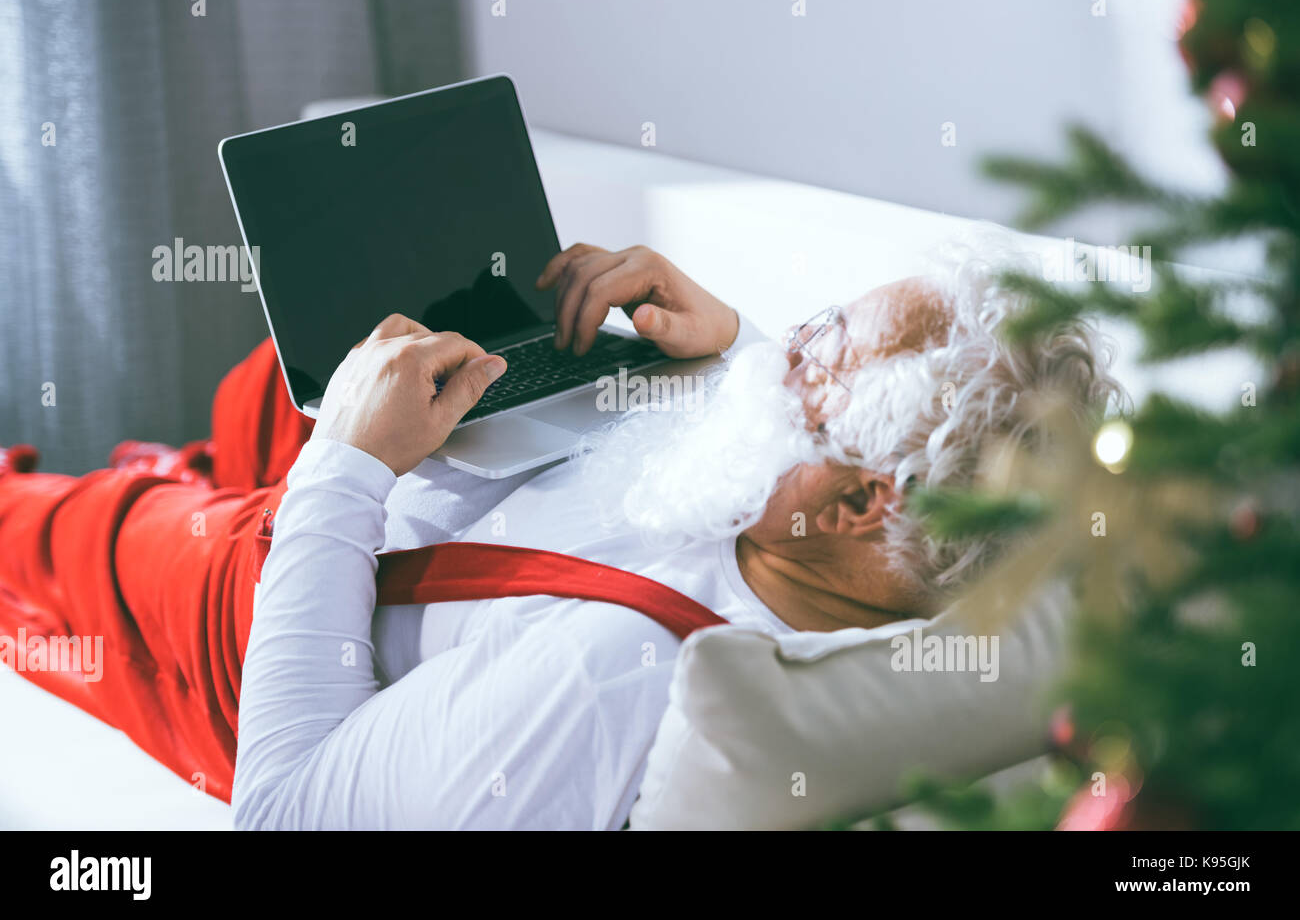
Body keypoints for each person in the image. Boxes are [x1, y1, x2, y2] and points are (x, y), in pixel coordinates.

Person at [0, 243, 1119, 829]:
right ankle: (200, 458)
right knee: (279, 368)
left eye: (819, 347)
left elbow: (284, 818)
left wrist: (343, 465)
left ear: (856, 504)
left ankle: (135, 495)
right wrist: (724, 338)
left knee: (36, 531)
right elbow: (829, 430)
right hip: (421, 498)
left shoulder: (613, 680)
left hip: (272, 611)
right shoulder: (833, 530)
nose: (789, 346)